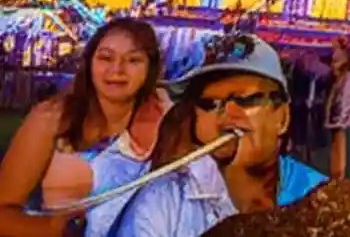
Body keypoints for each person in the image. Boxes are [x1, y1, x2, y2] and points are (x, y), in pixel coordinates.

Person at [109, 33, 327, 236]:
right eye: (209, 104)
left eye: (246, 99)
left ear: (282, 117)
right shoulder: (163, 201)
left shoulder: (322, 198)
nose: (227, 114)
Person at [0, 17, 164, 237]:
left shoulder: (167, 118)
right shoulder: (51, 119)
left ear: (150, 69)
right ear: (89, 63)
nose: (117, 69)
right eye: (106, 58)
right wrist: (52, 230)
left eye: (133, 60)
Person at [324, 38, 350, 180]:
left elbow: (348, 99)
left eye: (336, 61)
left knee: (340, 145)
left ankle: (339, 176)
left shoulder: (349, 78)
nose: (333, 65)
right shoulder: (338, 80)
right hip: (336, 118)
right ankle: (336, 175)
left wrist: (343, 118)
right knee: (335, 145)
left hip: (341, 120)